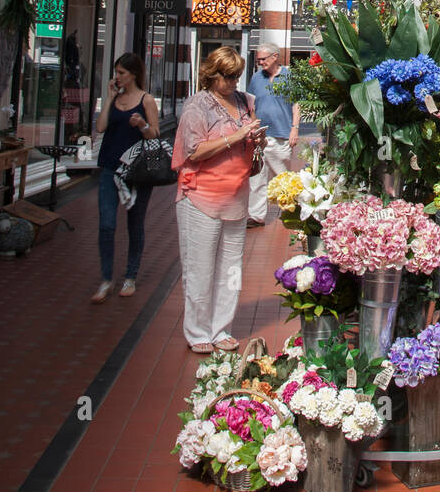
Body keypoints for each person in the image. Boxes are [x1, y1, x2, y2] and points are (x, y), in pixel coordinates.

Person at [172, 47, 264, 354]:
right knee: (200, 268)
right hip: (201, 196)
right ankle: (197, 331)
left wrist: (256, 141)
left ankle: (221, 327)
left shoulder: (244, 102)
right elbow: (193, 151)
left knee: (231, 268)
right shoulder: (197, 106)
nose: (234, 82)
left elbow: (250, 143)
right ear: (212, 74)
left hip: (236, 197)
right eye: (228, 76)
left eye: (237, 75)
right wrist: (236, 138)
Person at [92, 53, 159, 303]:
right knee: (106, 224)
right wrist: (109, 99)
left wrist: (141, 124)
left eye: (121, 72)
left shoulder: (147, 100)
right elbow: (99, 128)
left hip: (137, 170)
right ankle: (106, 279)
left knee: (135, 223)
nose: (117, 77)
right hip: (110, 166)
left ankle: (130, 276)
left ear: (133, 74)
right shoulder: (114, 98)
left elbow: (154, 135)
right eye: (116, 72)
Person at [245, 42, 300, 226]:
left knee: (282, 177)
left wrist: (295, 128)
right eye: (258, 59)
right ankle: (256, 215)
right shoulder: (256, 79)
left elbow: (296, 104)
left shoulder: (289, 77)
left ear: (275, 57)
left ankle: (289, 212)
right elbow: (250, 105)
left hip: (282, 135)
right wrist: (252, 128)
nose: (260, 62)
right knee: (257, 178)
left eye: (263, 59)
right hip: (259, 137)